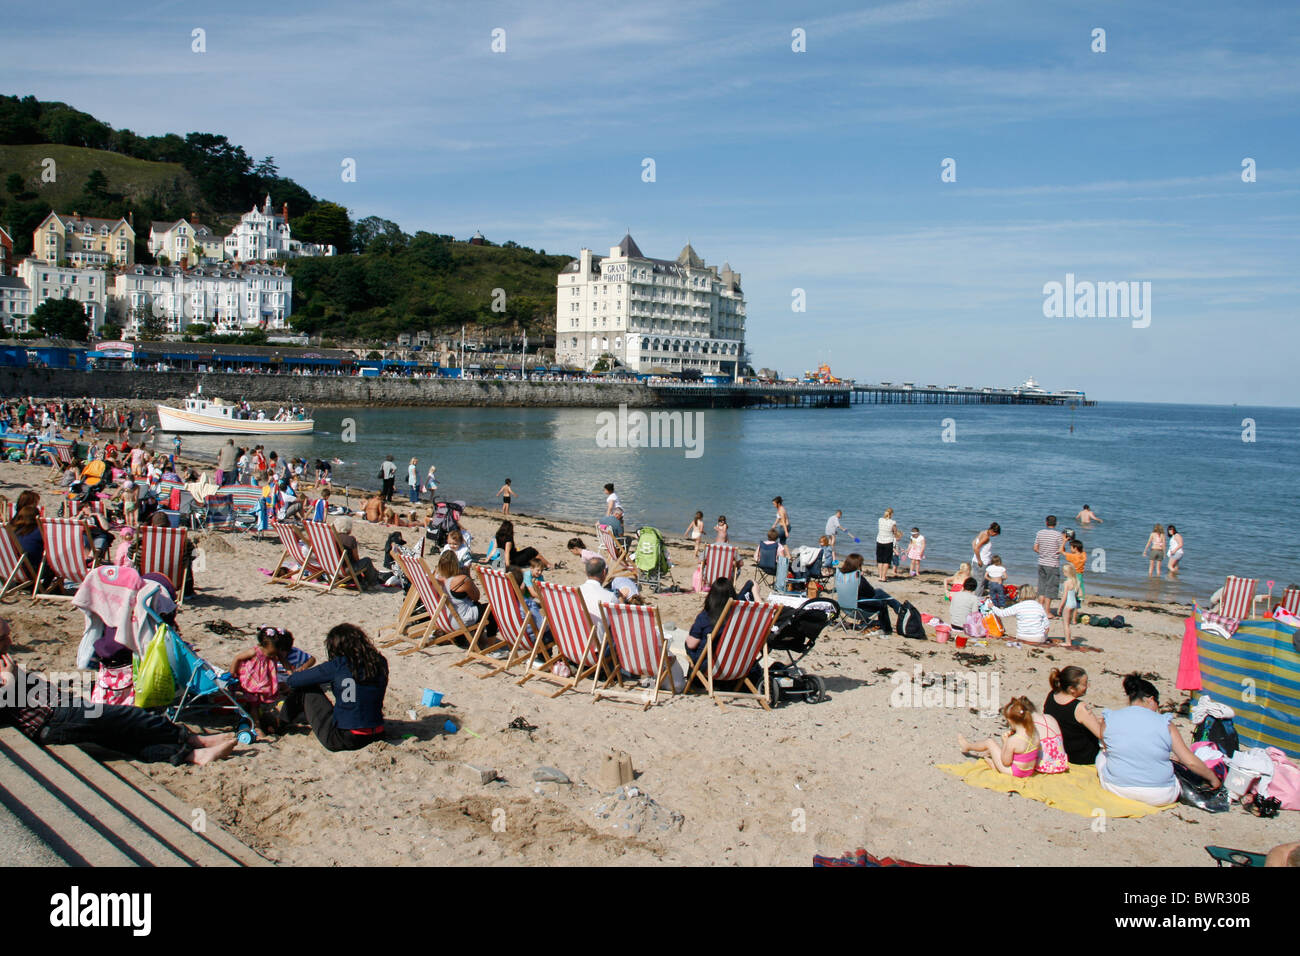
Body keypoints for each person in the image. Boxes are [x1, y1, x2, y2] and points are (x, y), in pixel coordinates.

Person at [0, 617, 236, 765]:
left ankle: (191, 755)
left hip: (59, 713)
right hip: (53, 718)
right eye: (3, 638)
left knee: (123, 738)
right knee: (132, 717)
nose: (10, 642)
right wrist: (10, 676)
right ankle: (193, 740)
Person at [1097, 673, 1220, 805]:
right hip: (1161, 795)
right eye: (1158, 703)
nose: (1157, 708)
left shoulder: (1110, 718)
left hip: (1118, 789)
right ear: (1150, 699)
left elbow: (1108, 747)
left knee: (1103, 754)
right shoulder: (1165, 723)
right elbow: (1190, 762)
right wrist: (1213, 780)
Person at [282, 624, 388, 752]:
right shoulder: (380, 661)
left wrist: (290, 667)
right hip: (377, 732)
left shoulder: (339, 664)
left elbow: (294, 681)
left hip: (344, 738)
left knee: (305, 687)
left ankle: (279, 724)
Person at [958, 697, 1059, 777]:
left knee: (989, 742)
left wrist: (1005, 742)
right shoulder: (1035, 734)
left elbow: (1006, 761)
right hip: (1028, 772)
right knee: (998, 751)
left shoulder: (1014, 740)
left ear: (1010, 721)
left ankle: (967, 746)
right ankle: (992, 762)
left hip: (1014, 772)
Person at [1043, 666, 1102, 764]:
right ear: (1072, 689)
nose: (1087, 686)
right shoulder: (1079, 707)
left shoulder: (1052, 695)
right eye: (1085, 684)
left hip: (1061, 750)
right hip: (1082, 756)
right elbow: (1100, 734)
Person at [838, 553, 903, 633]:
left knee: (879, 593)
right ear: (858, 566)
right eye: (861, 564)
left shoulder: (841, 576)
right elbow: (871, 593)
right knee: (882, 599)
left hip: (844, 607)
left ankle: (899, 608)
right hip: (857, 609)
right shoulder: (857, 578)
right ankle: (897, 614)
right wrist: (862, 578)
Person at [686, 578, 734, 665]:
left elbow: (691, 644)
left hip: (708, 665)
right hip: (733, 664)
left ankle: (693, 677)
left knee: (688, 644)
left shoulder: (705, 617)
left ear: (711, 596)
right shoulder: (738, 618)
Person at [434, 550, 484, 626]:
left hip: (443, 619)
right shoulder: (461, 580)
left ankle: (477, 635)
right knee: (490, 610)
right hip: (460, 620)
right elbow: (476, 596)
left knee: (477, 605)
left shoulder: (436, 577)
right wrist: (467, 575)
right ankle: (488, 638)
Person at [332, 517, 381, 588]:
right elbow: (356, 558)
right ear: (349, 528)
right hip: (346, 570)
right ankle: (373, 583)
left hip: (334, 568)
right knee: (367, 561)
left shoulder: (331, 538)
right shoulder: (350, 539)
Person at [1033, 515, 1064, 615]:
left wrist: (1043, 553)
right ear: (1056, 523)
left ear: (1046, 523)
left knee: (1042, 586)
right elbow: (1061, 550)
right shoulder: (1058, 535)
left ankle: (1039, 609)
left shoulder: (1040, 533)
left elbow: (1035, 548)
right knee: (1051, 587)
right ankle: (1047, 611)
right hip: (1052, 564)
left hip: (1041, 562)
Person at [579, 557, 617, 639]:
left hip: (573, 644)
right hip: (597, 648)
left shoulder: (573, 594)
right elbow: (618, 625)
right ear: (604, 573)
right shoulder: (610, 597)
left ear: (586, 572)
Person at [1057, 564, 1082, 644]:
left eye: (1064, 571)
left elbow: (1064, 597)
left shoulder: (1066, 583)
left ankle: (1068, 642)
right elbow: (1077, 595)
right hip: (1074, 603)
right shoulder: (1077, 582)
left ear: (1066, 572)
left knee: (1066, 624)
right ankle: (1068, 640)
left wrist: (1060, 607)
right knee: (1068, 623)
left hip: (1068, 604)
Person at [971, 522, 1001, 588]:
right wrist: (979, 560)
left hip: (975, 560)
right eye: (996, 534)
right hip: (982, 562)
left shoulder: (982, 532)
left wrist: (976, 556)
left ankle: (976, 593)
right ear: (993, 532)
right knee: (980, 582)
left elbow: (973, 543)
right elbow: (976, 548)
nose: (995, 536)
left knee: (976, 579)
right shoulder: (986, 537)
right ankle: (978, 596)